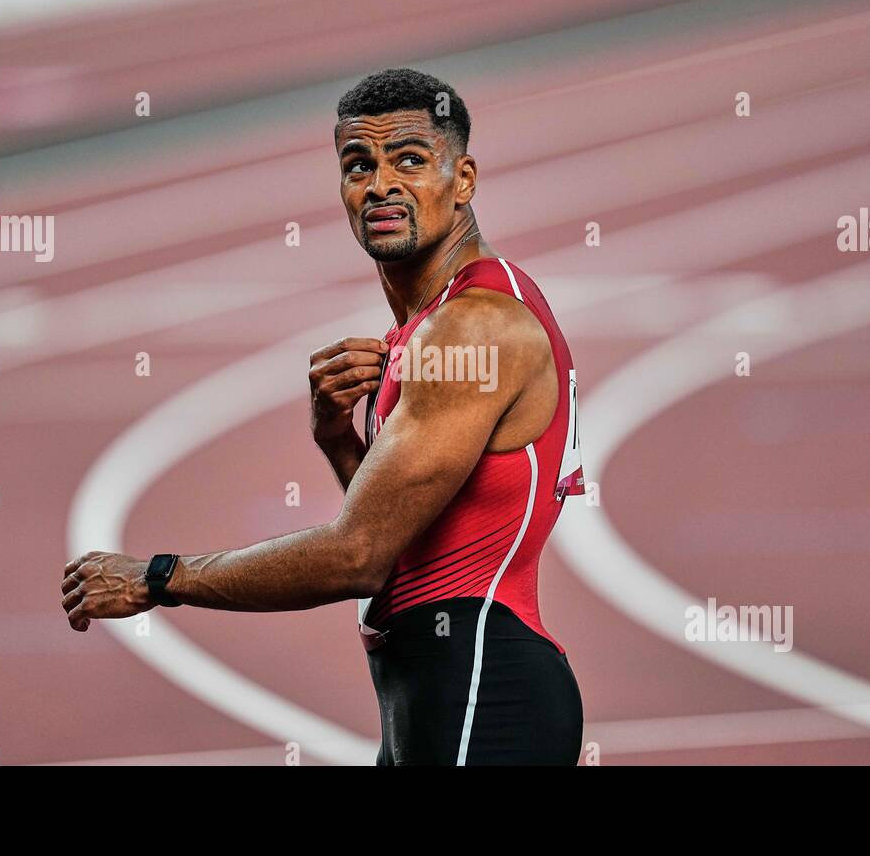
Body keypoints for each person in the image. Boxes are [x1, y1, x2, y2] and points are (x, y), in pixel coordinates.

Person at [61, 67, 586, 765]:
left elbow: (359, 556)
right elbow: (404, 538)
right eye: (357, 165)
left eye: (408, 160)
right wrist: (336, 438)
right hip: (444, 693)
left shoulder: (472, 329)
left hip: (481, 691)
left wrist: (159, 577)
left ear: (462, 181)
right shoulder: (436, 324)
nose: (379, 186)